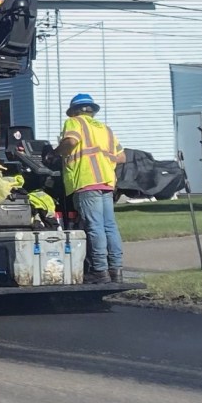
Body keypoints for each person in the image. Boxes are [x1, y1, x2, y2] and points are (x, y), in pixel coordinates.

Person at [53, 93, 125, 284]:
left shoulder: (74, 123)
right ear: (92, 110)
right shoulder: (105, 129)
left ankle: (100, 271)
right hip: (107, 182)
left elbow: (71, 142)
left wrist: (55, 154)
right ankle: (116, 270)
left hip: (86, 180)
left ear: (75, 111)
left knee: (95, 227)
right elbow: (121, 157)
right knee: (109, 226)